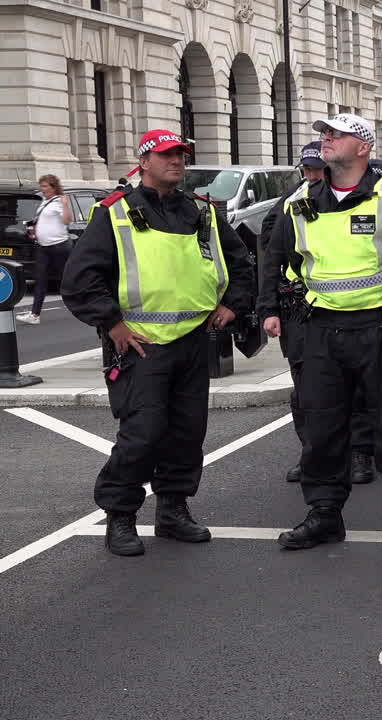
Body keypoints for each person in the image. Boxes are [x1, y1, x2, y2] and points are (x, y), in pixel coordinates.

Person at [62, 129, 256, 556]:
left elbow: (241, 264)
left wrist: (233, 306)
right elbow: (80, 280)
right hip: (139, 345)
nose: (177, 162)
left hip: (193, 341)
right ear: (144, 161)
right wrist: (113, 326)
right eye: (167, 155)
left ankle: (172, 510)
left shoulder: (201, 213)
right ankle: (121, 516)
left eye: (181, 155)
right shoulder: (114, 213)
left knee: (187, 433)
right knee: (142, 434)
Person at [260, 113, 382, 558]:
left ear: (363, 148)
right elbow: (274, 255)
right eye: (324, 133)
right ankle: (324, 514)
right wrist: (268, 309)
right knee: (320, 426)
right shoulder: (300, 200)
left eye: (336, 134)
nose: (325, 138)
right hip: (319, 328)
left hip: (380, 327)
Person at [257, 141, 377, 485]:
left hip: (352, 310)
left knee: (354, 387)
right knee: (306, 388)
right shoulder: (292, 203)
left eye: (316, 170)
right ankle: (313, 451)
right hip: (301, 309)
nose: (311, 176)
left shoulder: (353, 197)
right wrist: (268, 307)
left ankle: (359, 452)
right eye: (306, 170)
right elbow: (271, 252)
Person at [17, 174, 74, 325]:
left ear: (53, 187)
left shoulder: (60, 201)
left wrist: (65, 205)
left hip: (60, 247)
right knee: (40, 280)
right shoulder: (45, 201)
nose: (42, 189)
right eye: (41, 186)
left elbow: (67, 220)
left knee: (69, 279)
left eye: (45, 186)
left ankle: (87, 306)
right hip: (43, 247)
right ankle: (35, 314)